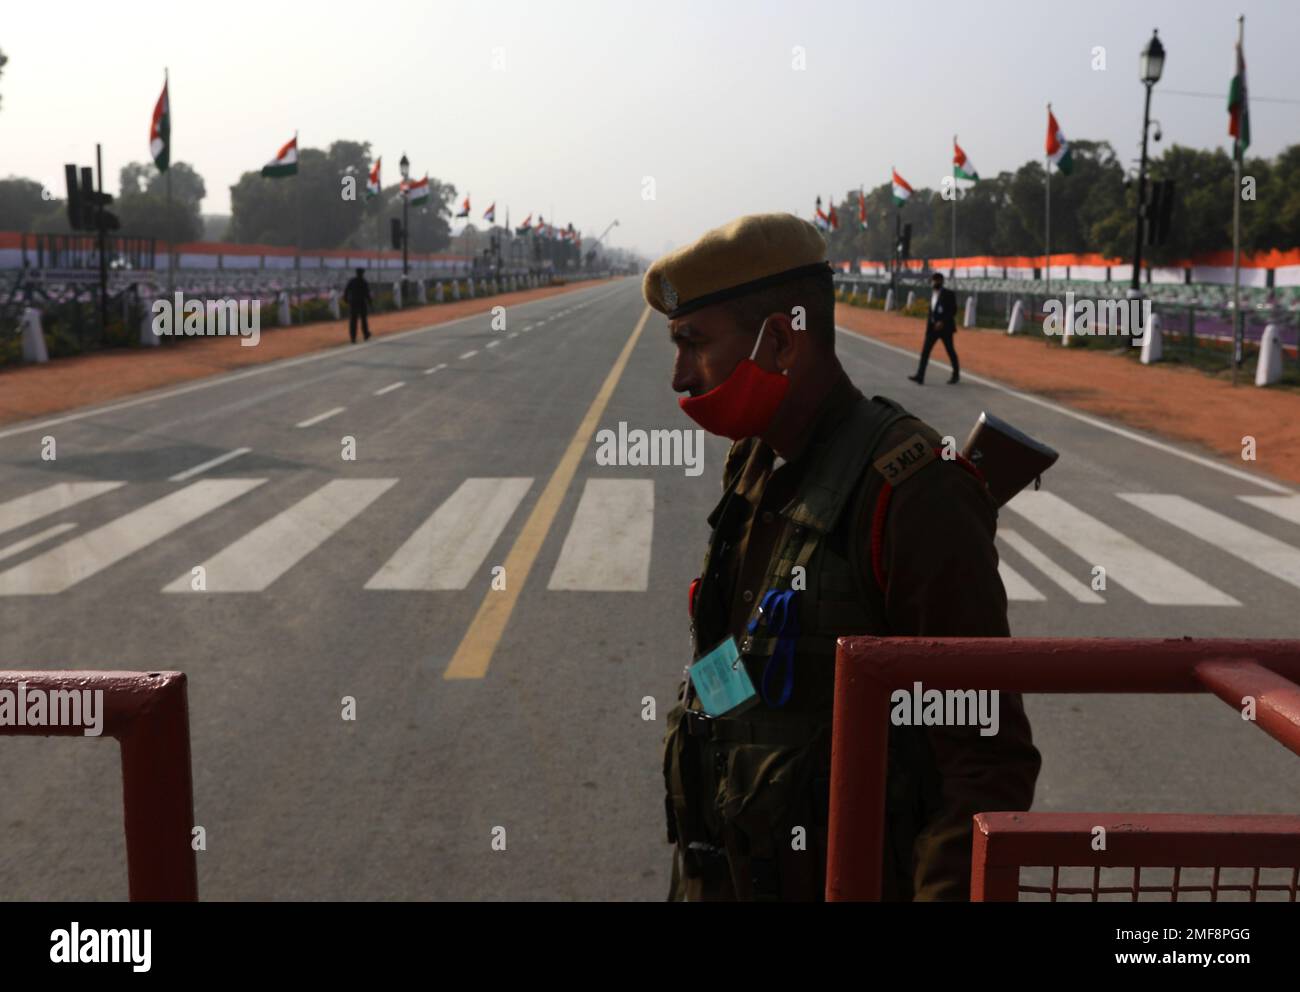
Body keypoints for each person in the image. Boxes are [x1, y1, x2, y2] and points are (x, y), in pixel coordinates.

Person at [649, 213, 1039, 902]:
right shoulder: (757, 461)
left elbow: (982, 763)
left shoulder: (914, 493)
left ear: (779, 340)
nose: (681, 375)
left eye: (694, 343)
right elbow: (739, 658)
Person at [908, 272, 959, 384]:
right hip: (932, 329)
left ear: (941, 281)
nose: (934, 282)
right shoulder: (933, 294)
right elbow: (932, 311)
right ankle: (920, 376)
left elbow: (953, 310)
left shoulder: (948, 294)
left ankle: (956, 375)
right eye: (933, 280)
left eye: (936, 280)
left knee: (950, 351)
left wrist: (943, 322)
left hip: (945, 329)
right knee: (925, 351)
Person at [343, 267, 372, 343]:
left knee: (353, 320)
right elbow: (367, 294)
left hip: (353, 302)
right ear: (362, 273)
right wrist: (370, 303)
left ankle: (353, 337)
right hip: (361, 302)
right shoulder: (364, 282)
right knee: (363, 319)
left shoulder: (352, 281)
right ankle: (365, 334)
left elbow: (346, 290)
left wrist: (345, 299)